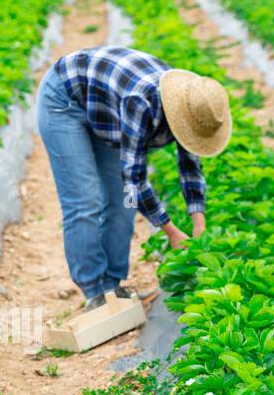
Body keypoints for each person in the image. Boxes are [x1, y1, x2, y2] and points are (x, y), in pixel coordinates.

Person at [36, 46, 232, 310]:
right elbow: (134, 180)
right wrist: (171, 231)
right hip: (65, 99)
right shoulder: (143, 102)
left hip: (106, 108)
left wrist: (199, 224)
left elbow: (190, 167)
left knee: (123, 202)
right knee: (84, 201)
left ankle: (112, 286)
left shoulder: (192, 109)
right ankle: (95, 293)